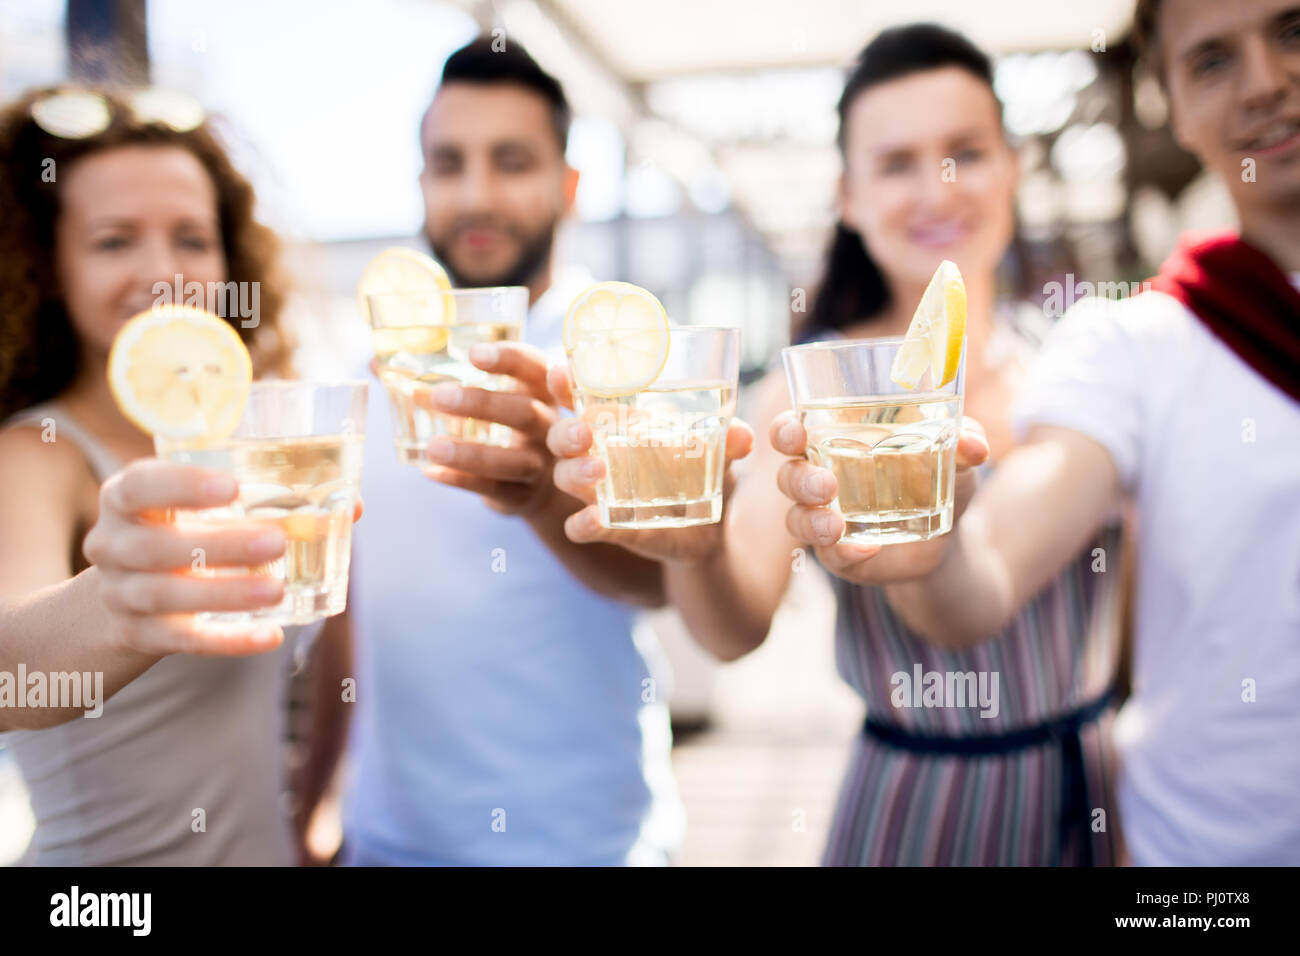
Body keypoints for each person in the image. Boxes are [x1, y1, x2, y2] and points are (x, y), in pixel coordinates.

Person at [545, 24, 1128, 865]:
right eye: (896, 163)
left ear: (1014, 167)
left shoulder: (1086, 360)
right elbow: (732, 627)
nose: (937, 188)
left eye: (965, 151)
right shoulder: (806, 390)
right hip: (908, 811)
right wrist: (698, 550)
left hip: (1089, 796)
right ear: (847, 196)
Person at [775, 0, 1300, 865]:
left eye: (1294, 31)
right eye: (1210, 59)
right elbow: (981, 582)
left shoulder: (1050, 349)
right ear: (1169, 92)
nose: (1265, 82)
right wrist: (933, 550)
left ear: (1012, 168)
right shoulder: (1130, 347)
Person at [324, 37, 747, 866]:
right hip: (384, 845)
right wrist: (316, 802)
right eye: (449, 164)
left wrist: (542, 501)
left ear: (569, 185)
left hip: (585, 844)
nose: (476, 194)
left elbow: (663, 580)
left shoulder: (631, 357)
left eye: (511, 161)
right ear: (420, 186)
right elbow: (352, 613)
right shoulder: (365, 374)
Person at [0, 87, 338, 864]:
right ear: (51, 266)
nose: (164, 274)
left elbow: (332, 653)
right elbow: (9, 669)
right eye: (114, 241)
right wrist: (115, 602)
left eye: (192, 238)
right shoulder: (40, 451)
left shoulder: (260, 433)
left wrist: (315, 810)